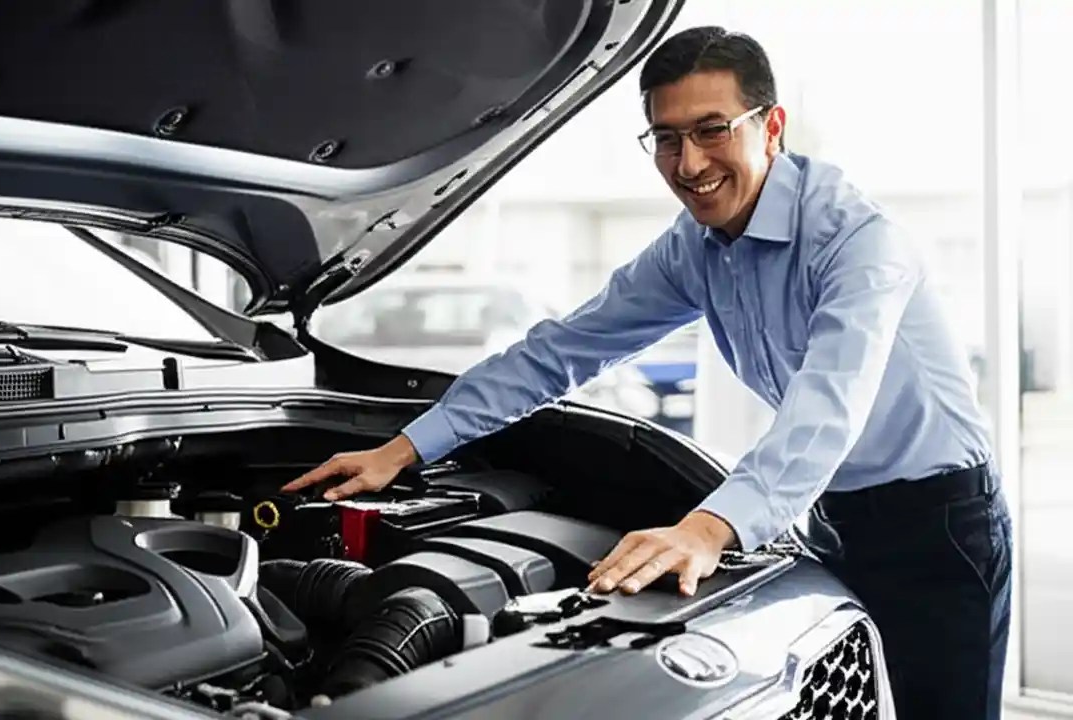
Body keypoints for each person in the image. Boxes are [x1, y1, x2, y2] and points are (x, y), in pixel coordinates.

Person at [282, 26, 1012, 720]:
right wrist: (405, 449)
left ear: (772, 125)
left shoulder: (856, 241)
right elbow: (559, 350)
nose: (689, 164)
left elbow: (828, 407)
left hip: (939, 527)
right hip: (831, 513)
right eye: (666, 138)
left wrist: (706, 529)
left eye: (711, 129)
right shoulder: (694, 247)